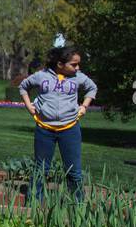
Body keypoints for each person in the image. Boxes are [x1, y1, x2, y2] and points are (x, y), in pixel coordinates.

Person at [18, 45, 97, 201]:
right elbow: (23, 86)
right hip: (44, 129)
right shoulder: (41, 76)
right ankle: (34, 204)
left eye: (78, 64)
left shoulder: (78, 77)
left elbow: (92, 88)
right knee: (41, 169)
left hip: (70, 129)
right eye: (73, 64)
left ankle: (77, 205)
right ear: (60, 64)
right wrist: (29, 106)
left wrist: (84, 106)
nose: (77, 67)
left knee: (73, 170)